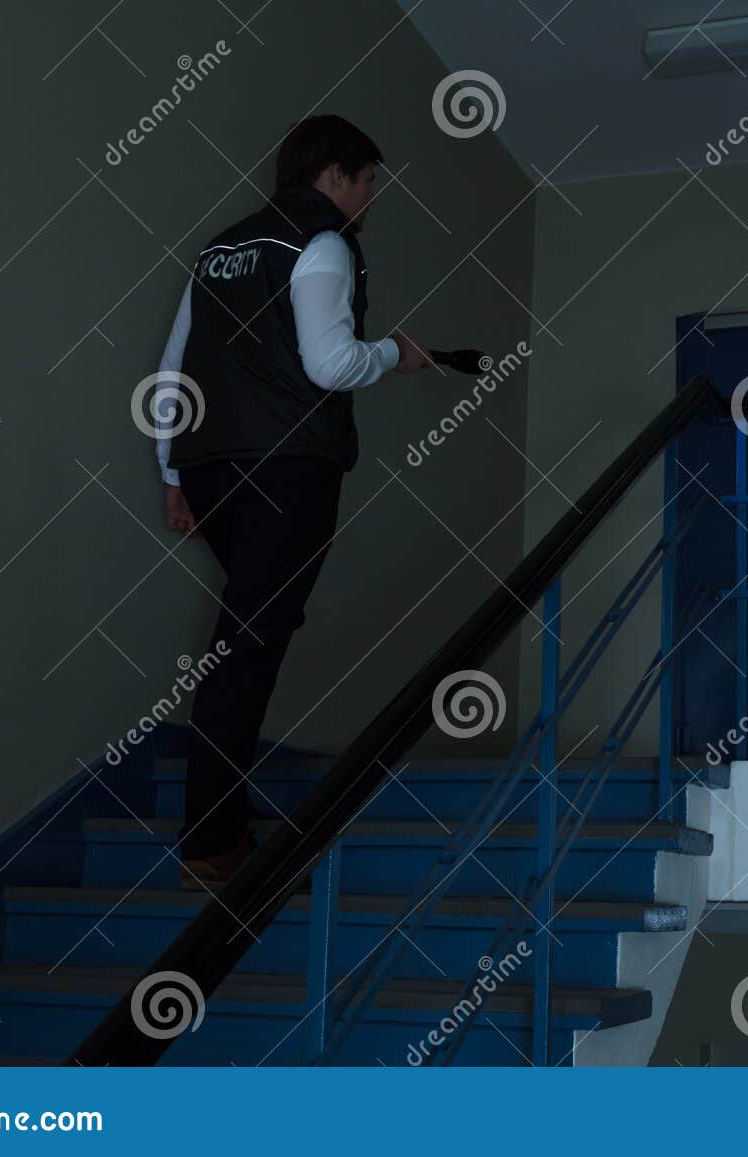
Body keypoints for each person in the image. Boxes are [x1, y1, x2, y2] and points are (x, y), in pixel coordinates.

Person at [153, 114, 434, 889]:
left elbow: (175, 366)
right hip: (287, 467)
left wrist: (175, 474)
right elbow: (330, 361)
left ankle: (216, 828)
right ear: (336, 176)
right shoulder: (324, 242)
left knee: (243, 637)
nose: (371, 197)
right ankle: (213, 845)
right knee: (247, 647)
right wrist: (393, 357)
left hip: (213, 467)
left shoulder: (222, 247)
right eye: (369, 180)